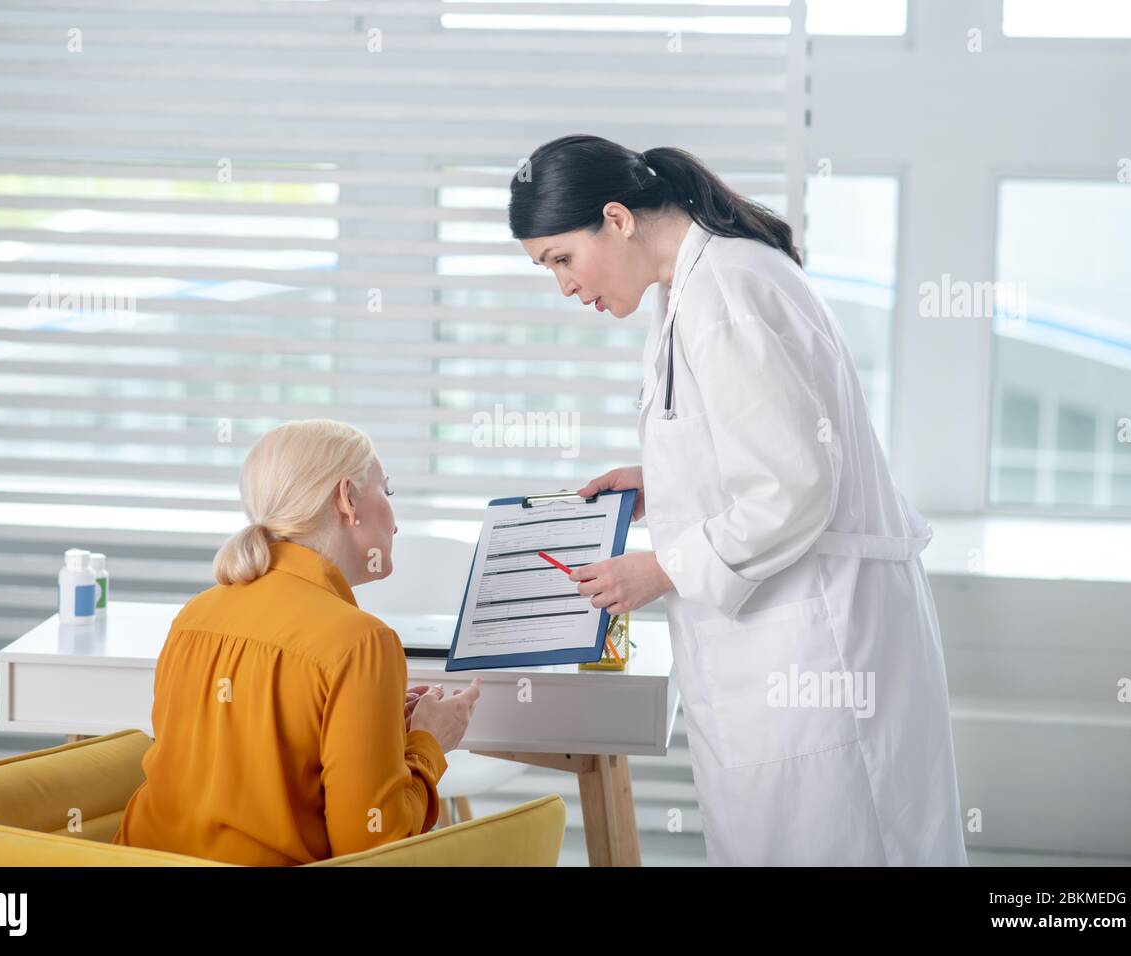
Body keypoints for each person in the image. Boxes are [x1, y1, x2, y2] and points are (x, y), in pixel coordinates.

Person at [509, 134, 967, 866]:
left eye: (562, 258)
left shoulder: (726, 289)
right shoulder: (691, 289)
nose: (564, 285)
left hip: (820, 641)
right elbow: (765, 451)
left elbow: (796, 486)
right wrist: (664, 481)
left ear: (618, 218)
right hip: (779, 652)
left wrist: (661, 570)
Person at [113, 419, 481, 865]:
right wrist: (429, 743)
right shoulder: (363, 642)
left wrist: (384, 734)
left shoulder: (194, 616)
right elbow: (371, 847)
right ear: (347, 499)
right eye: (387, 492)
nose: (396, 523)